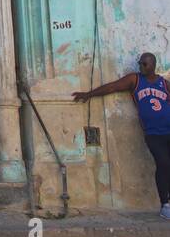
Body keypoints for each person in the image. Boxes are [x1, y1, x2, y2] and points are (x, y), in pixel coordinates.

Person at [73, 52, 170, 219]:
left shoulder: (164, 84)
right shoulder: (136, 80)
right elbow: (112, 87)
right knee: (163, 163)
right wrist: (89, 94)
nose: (141, 66)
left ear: (153, 65)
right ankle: (165, 204)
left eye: (144, 64)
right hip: (153, 133)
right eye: (140, 63)